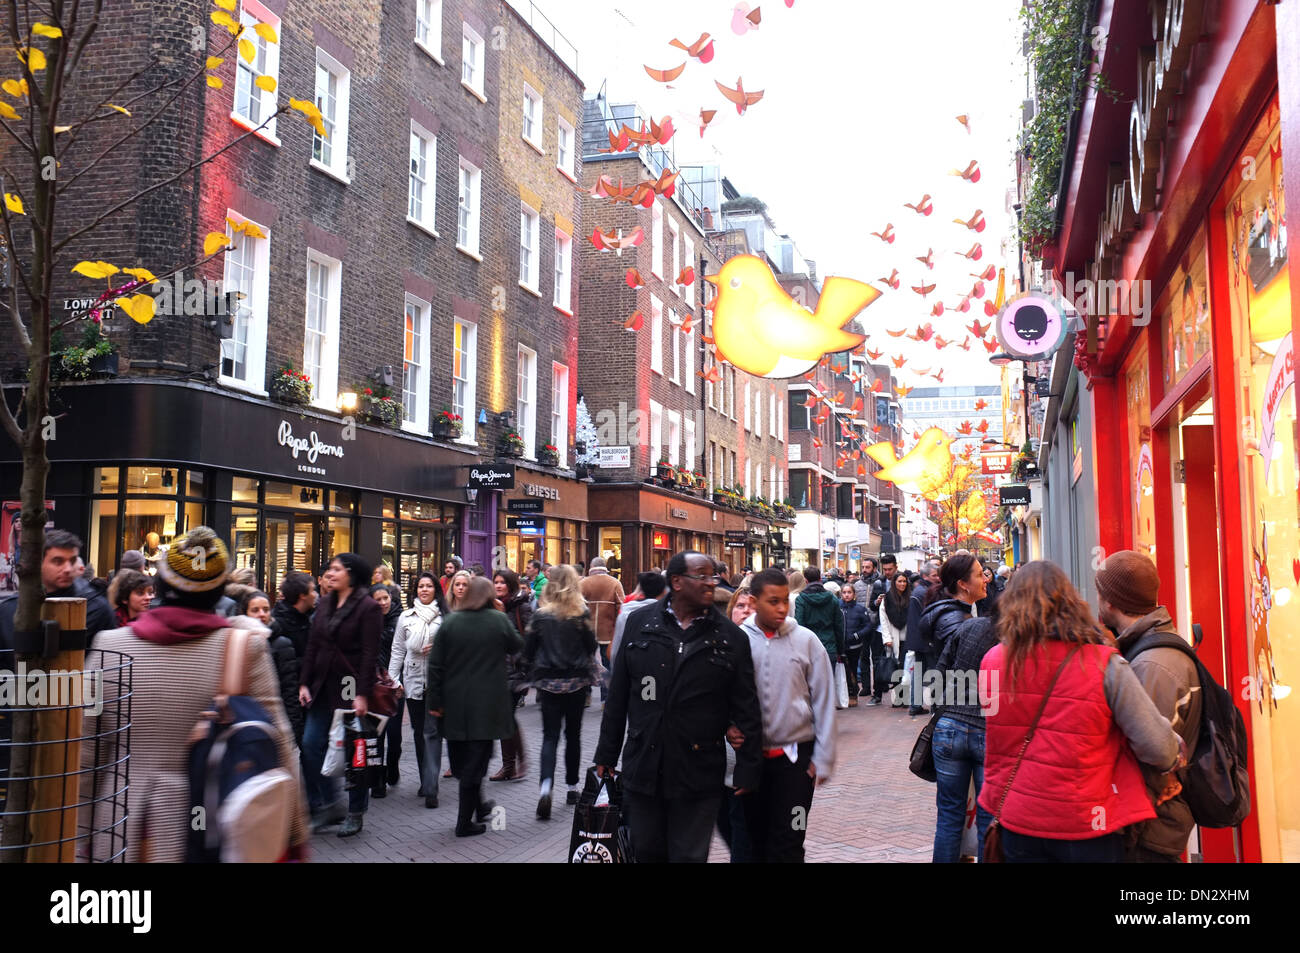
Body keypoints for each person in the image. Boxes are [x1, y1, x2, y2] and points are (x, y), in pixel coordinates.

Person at [80, 527, 307, 862]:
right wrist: (296, 837)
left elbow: (86, 755)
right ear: (219, 593)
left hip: (123, 823)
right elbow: (280, 746)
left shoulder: (108, 647)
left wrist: (77, 840)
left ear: (159, 585)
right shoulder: (245, 649)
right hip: (212, 825)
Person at [979, 561, 1184, 863]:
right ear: (1070, 602)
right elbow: (1157, 746)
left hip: (1018, 821)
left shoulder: (992, 662)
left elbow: (998, 735)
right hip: (1088, 823)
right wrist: (1175, 749)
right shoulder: (1104, 663)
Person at [594, 551, 763, 863]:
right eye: (702, 576)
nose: (711, 583)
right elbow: (618, 695)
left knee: (689, 856)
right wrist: (606, 754)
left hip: (698, 771)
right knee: (646, 852)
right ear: (677, 582)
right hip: (644, 766)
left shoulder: (731, 638)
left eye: (713, 576)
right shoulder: (639, 623)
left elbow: (746, 706)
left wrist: (748, 767)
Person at [1095, 550, 1202, 863]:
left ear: (1111, 601)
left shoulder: (1153, 664)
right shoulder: (1145, 651)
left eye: (1100, 592)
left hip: (1152, 827)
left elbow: (1151, 751)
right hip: (1150, 820)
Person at [737, 568, 836, 862]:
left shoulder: (806, 640)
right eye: (772, 601)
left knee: (792, 839)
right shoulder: (739, 640)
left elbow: (824, 699)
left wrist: (823, 757)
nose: (781, 608)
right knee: (757, 842)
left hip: (796, 764)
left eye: (784, 600)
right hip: (752, 763)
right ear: (754, 602)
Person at [426, 576, 524, 837]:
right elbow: (518, 647)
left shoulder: (450, 623)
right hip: (487, 705)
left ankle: (479, 808)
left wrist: (434, 702)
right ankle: (463, 823)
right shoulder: (498, 620)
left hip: (454, 703)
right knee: (476, 762)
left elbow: (435, 666)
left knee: (462, 760)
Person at [298, 553, 382, 838]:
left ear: (351, 574)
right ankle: (329, 803)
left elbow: (370, 654)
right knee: (310, 746)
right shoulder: (324, 604)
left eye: (336, 569)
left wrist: (362, 694)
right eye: (330, 569)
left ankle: (355, 812)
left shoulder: (368, 607)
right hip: (323, 687)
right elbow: (313, 646)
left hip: (350, 687)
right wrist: (304, 683)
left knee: (354, 754)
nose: (330, 574)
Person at [924, 555, 996, 862]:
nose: (986, 580)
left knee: (950, 815)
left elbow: (940, 676)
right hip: (979, 725)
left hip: (952, 724)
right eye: (980, 575)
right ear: (962, 585)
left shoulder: (967, 616)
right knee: (984, 817)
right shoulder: (959, 620)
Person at [524, 565, 598, 818]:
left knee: (550, 736)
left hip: (548, 683)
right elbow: (591, 646)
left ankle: (546, 787)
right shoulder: (581, 613)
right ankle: (572, 786)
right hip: (576, 682)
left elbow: (528, 650)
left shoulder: (541, 615)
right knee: (573, 735)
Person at [0, 529, 113, 651]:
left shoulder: (96, 607)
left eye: (72, 561)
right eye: (58, 561)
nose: (68, 569)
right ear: (38, 563)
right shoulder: (8, 609)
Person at [237, 588, 304, 748]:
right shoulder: (237, 642)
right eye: (255, 610)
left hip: (273, 720)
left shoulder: (282, 644)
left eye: (266, 610)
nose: (262, 614)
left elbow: (289, 690)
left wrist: (293, 730)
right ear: (245, 613)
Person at [492, 568, 533, 782]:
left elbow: (530, 639)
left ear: (511, 584)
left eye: (502, 582)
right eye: (496, 582)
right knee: (503, 717)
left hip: (516, 671)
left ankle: (518, 762)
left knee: (506, 715)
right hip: (496, 670)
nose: (498, 586)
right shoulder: (492, 607)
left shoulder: (521, 607)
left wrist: (523, 665)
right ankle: (509, 765)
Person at [368, 583, 403, 798]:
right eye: (377, 599)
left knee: (395, 734)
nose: (382, 603)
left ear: (391, 598)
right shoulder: (367, 621)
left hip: (396, 682)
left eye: (385, 598)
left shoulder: (401, 619)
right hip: (374, 682)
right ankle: (377, 779)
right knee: (376, 733)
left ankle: (393, 764)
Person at [794, 567, 845, 696]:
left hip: (808, 647)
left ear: (805, 580)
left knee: (808, 684)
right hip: (829, 645)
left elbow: (799, 625)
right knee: (828, 683)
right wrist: (841, 650)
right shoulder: (832, 599)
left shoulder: (801, 600)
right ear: (819, 579)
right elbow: (839, 626)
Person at [580, 557, 626, 702]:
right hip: (608, 630)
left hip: (586, 631)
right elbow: (622, 606)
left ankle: (586, 696)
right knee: (607, 664)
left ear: (591, 567)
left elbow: (575, 606)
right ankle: (606, 699)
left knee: (585, 662)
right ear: (605, 567)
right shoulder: (614, 582)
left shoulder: (583, 583)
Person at [609, 570, 668, 666]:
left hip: (630, 667)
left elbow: (616, 649)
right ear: (663, 591)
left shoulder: (625, 613)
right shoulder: (664, 614)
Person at [906, 559, 941, 715]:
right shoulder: (925, 593)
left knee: (919, 672)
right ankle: (934, 706)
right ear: (926, 576)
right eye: (934, 575)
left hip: (919, 639)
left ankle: (915, 705)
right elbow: (929, 618)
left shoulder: (919, 591)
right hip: (927, 639)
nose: (937, 578)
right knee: (933, 671)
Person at [880, 571, 912, 706]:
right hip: (893, 638)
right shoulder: (887, 599)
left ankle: (905, 698)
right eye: (899, 581)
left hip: (908, 638)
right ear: (894, 583)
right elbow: (884, 619)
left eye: (904, 581)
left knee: (907, 668)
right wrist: (887, 638)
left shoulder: (911, 597)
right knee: (896, 667)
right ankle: (898, 698)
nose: (902, 584)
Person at [271, 571, 316, 659]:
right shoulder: (277, 624)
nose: (315, 594)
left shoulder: (311, 618)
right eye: (313, 590)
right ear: (302, 595)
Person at [839, 584, 870, 706]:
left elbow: (867, 626)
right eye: (844, 592)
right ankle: (845, 693)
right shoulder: (837, 608)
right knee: (842, 671)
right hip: (840, 645)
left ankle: (853, 694)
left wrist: (857, 635)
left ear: (854, 594)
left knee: (852, 669)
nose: (847, 595)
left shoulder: (860, 609)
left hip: (854, 646)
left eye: (849, 592)